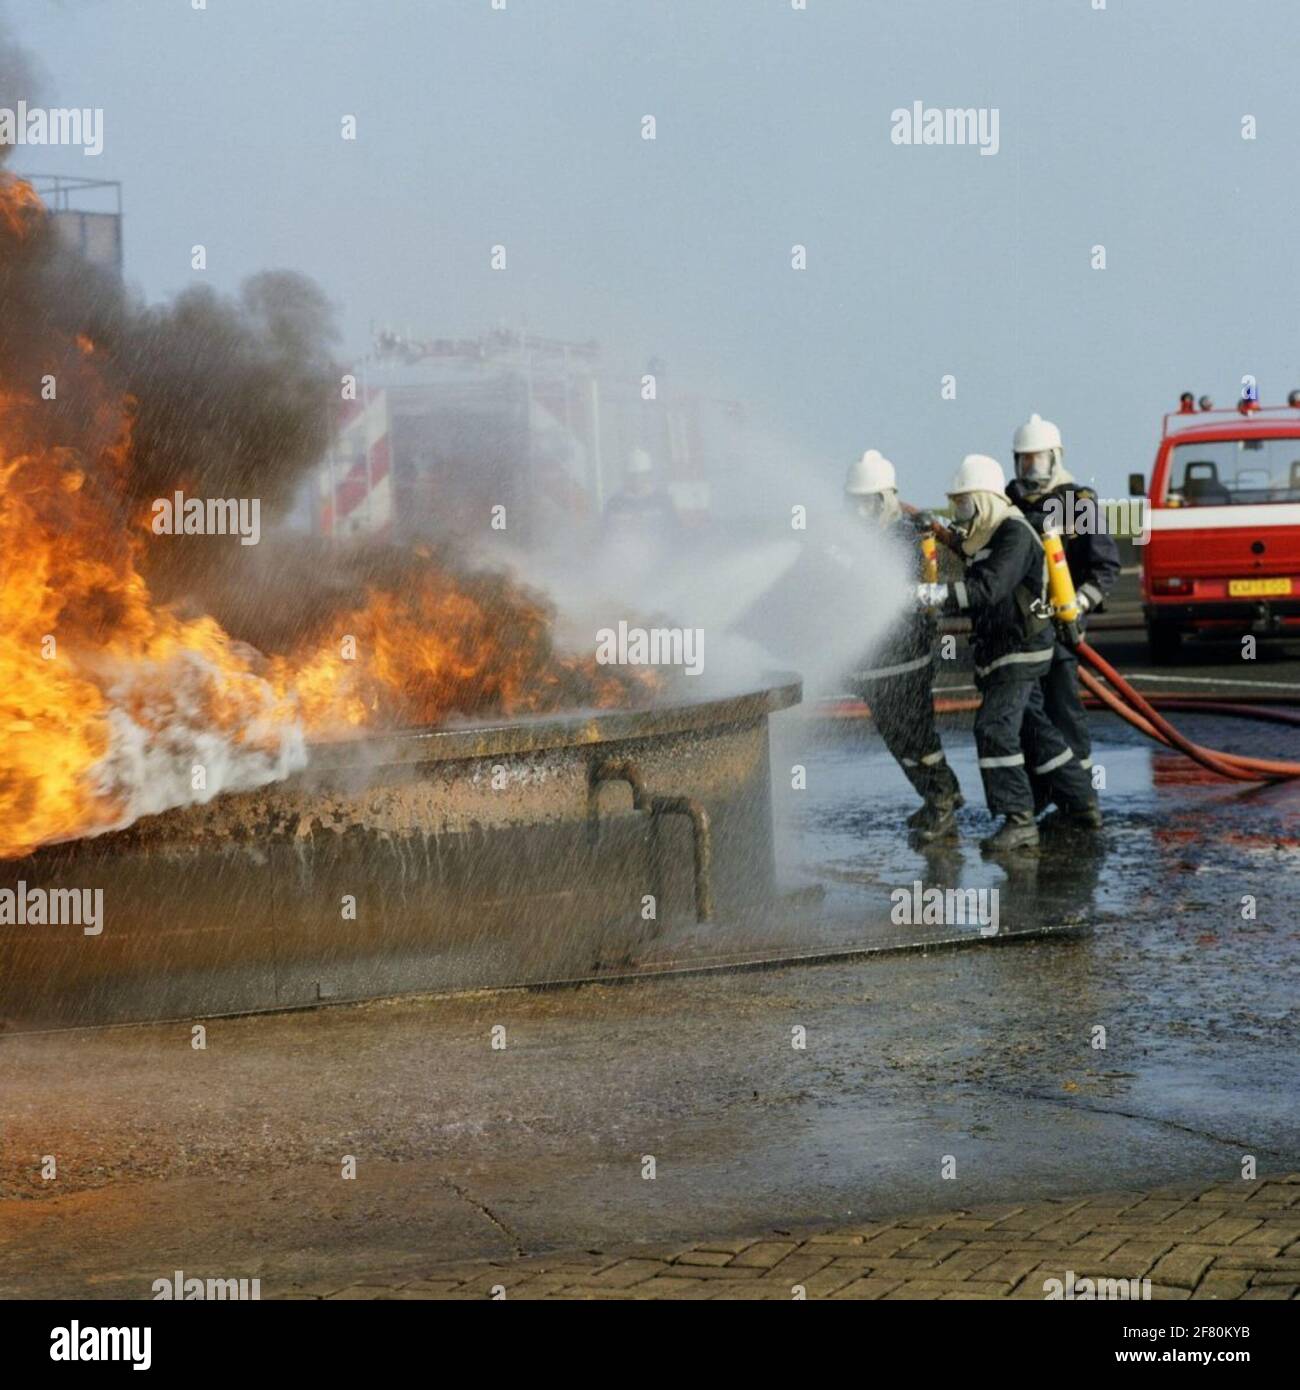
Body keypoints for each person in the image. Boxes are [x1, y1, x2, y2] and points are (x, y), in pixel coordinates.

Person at [918, 454, 1093, 854]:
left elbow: (988, 589)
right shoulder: (991, 534)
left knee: (994, 729)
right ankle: (1082, 804)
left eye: (965, 503)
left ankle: (1019, 821)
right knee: (1035, 729)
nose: (961, 512)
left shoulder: (1014, 534)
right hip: (1004, 649)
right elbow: (971, 554)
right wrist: (941, 533)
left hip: (1019, 649)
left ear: (985, 499)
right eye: (957, 504)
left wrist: (929, 595)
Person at [843, 449, 961, 842]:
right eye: (854, 503)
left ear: (884, 500)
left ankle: (942, 802)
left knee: (917, 737)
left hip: (906, 660)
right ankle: (937, 796)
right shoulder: (859, 540)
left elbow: (902, 592)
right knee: (897, 739)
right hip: (876, 666)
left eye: (867, 503)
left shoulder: (905, 537)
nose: (860, 512)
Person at [1006, 413, 1116, 828]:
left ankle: (1080, 797)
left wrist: (1078, 605)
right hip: (1018, 632)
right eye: (1024, 461)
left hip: (1061, 630)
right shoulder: (1009, 502)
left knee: (1064, 712)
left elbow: (1105, 566)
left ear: (1055, 458)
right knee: (1024, 717)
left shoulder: (1077, 502)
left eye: (1037, 461)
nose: (1030, 470)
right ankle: (1040, 793)